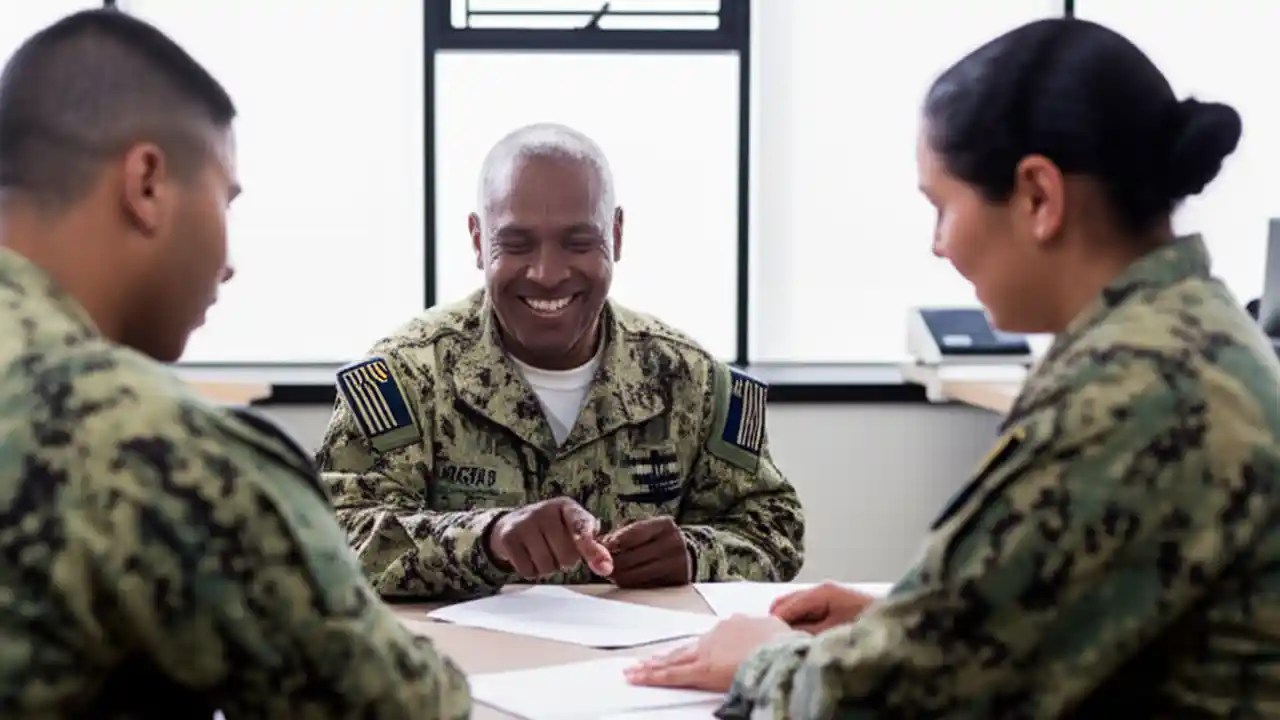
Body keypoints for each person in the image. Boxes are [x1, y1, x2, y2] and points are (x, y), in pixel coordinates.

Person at [626, 17, 1280, 718]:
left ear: (1038, 197)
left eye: (942, 206)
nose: (939, 245)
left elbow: (906, 697)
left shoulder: (1130, 391)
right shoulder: (1190, 332)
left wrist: (757, 658)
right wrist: (896, 615)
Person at [0, 10, 469, 718]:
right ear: (148, 183)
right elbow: (404, 709)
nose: (228, 263)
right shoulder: (147, 445)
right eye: (225, 198)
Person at [317, 122, 804, 599]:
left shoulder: (690, 379)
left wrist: (697, 554)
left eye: (578, 243)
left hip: (637, 674)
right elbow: (334, 538)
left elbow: (774, 530)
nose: (547, 274)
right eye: (516, 244)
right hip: (462, 670)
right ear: (477, 240)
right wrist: (488, 539)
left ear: (615, 234)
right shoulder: (404, 376)